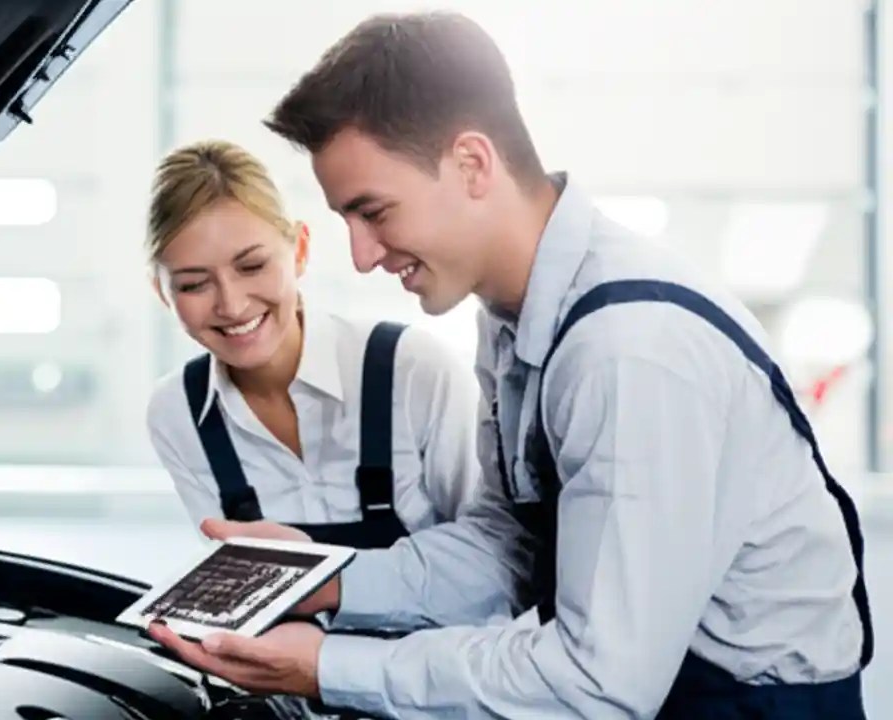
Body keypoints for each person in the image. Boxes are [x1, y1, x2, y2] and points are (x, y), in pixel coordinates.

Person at [147, 11, 873, 719]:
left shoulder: (627, 352)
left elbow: (598, 684)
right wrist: (324, 580)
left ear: (471, 163)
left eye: (375, 212)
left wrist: (326, 669)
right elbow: (508, 550)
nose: (362, 255)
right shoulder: (517, 320)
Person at [145, 139, 519, 567]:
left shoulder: (413, 371)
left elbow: (492, 562)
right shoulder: (178, 412)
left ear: (300, 251)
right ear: (162, 292)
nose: (230, 305)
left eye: (252, 267)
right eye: (194, 284)